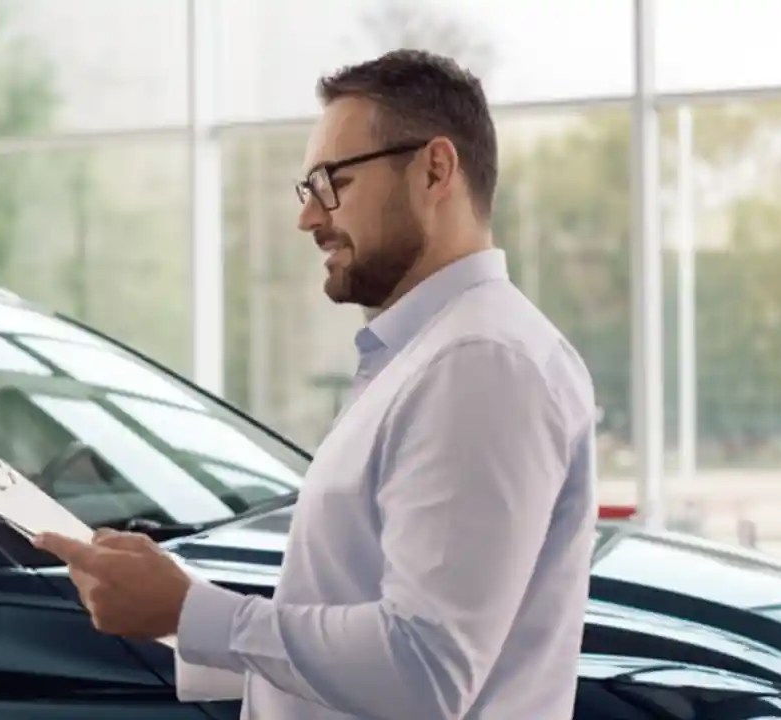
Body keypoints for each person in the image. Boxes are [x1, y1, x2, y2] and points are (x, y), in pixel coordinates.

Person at [35, 48, 598, 719]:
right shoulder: (429, 355)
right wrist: (177, 607)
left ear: (435, 169)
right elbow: (356, 624)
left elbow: (422, 670)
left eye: (334, 182)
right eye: (308, 190)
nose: (309, 217)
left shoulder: (479, 363)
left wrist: (197, 612)